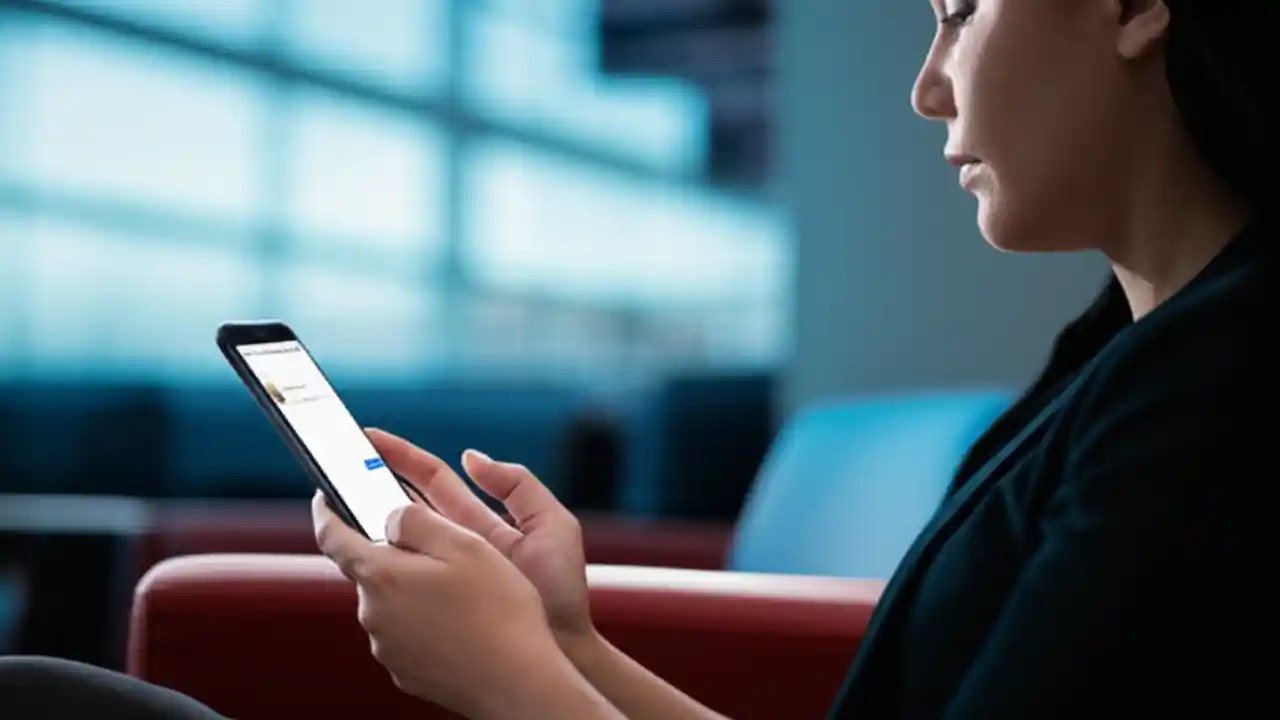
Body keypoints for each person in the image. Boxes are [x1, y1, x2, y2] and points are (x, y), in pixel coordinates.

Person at [1, 0, 1273, 717]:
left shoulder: (1224, 402)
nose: (928, 90)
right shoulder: (1120, 355)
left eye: (960, 12)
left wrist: (509, 682)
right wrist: (569, 643)